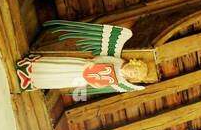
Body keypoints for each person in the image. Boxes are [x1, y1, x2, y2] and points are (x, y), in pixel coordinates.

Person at [15, 21, 156, 94]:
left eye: (135, 75)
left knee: (62, 80)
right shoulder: (119, 62)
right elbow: (103, 59)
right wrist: (93, 63)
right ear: (134, 63)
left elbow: (106, 82)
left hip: (84, 78)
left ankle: (33, 80)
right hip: (84, 67)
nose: (133, 73)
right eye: (136, 70)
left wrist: (97, 84)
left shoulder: (121, 80)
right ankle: (31, 67)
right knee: (62, 68)